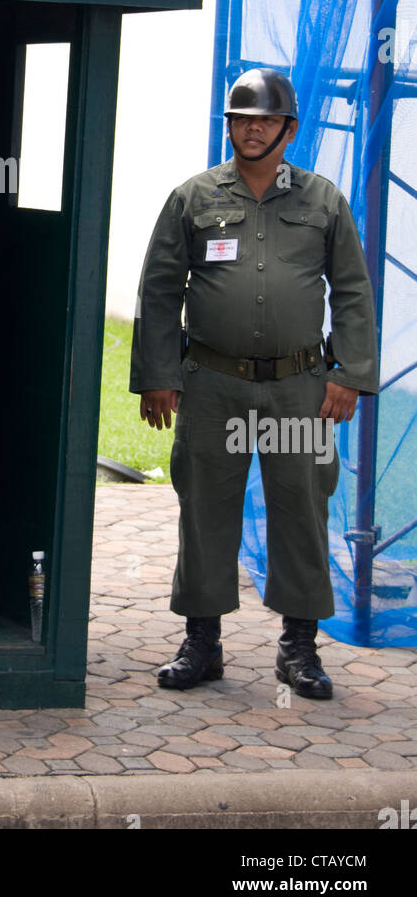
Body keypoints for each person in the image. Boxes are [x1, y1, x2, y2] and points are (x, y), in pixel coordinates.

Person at [129, 68, 379, 699]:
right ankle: (201, 643)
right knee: (205, 505)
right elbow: (158, 291)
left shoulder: (323, 201)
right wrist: (158, 375)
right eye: (242, 119)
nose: (252, 128)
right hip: (211, 382)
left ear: (289, 129)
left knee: (301, 507)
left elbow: (352, 291)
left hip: (301, 387)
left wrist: (349, 374)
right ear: (231, 127)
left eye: (265, 119)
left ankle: (299, 648)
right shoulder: (194, 198)